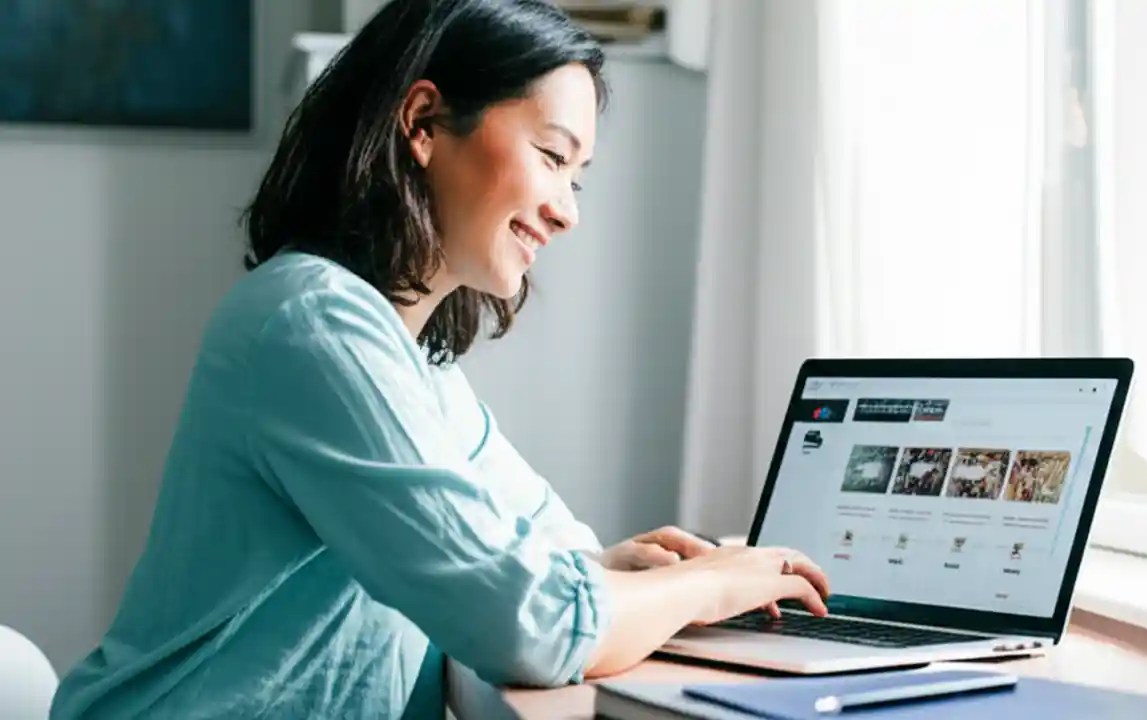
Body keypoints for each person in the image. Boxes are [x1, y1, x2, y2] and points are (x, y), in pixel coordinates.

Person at [49, 1, 829, 718]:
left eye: (578, 176)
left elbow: (536, 556)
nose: (567, 210)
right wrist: (712, 581)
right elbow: (530, 625)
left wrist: (617, 567)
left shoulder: (415, 363)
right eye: (553, 157)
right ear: (423, 121)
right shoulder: (314, 321)